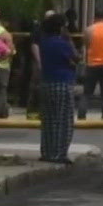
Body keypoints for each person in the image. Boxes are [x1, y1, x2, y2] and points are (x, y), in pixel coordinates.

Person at [35, 14, 78, 164]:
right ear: (60, 27)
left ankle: (47, 152)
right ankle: (59, 153)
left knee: (48, 120)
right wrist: (69, 39)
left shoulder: (44, 42)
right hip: (63, 83)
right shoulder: (62, 43)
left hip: (47, 82)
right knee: (63, 120)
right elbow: (75, 59)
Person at [80, 10, 103, 120]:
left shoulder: (89, 30)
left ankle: (82, 114)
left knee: (87, 93)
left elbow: (86, 44)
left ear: (95, 18)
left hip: (92, 64)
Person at [0, 8, 14, 120]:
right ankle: (0, 112)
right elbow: (10, 51)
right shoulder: (4, 33)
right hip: (2, 66)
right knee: (1, 90)